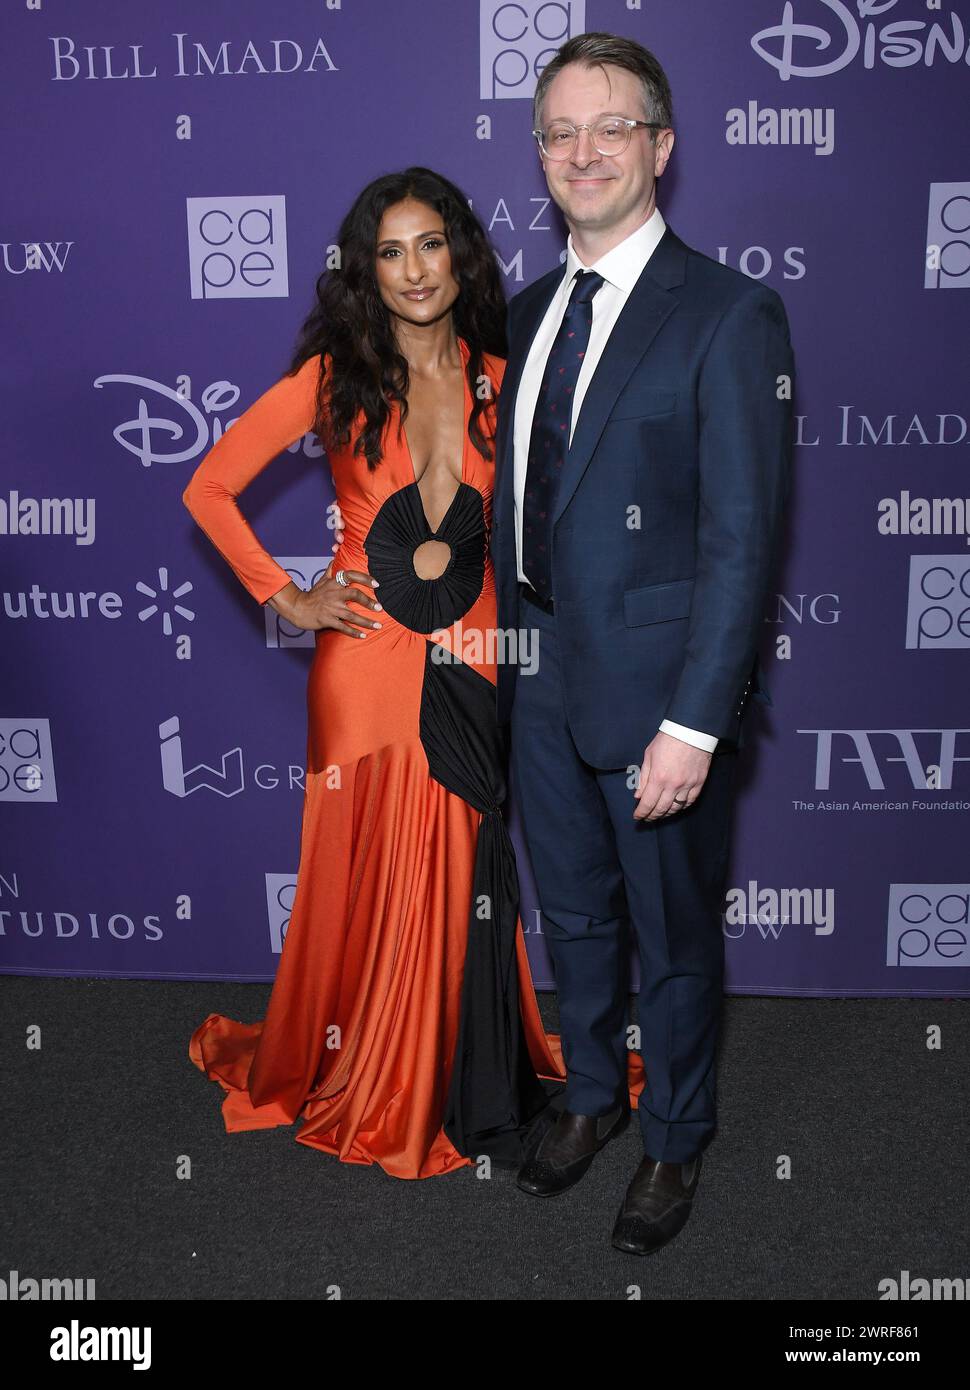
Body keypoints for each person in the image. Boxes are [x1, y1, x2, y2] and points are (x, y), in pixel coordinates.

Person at [183, 168, 609, 1180]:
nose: (414, 270)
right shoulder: (334, 380)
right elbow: (209, 487)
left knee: (461, 868)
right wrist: (288, 597)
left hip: (476, 655)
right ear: (365, 271)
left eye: (430, 245)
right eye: (390, 251)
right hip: (364, 664)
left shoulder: (507, 378)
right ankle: (362, 1063)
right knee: (362, 865)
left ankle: (452, 1071)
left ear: (461, 256)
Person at [491, 34, 795, 1250]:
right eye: (559, 132)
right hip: (536, 676)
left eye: (610, 127)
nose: (583, 152)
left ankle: (672, 1137)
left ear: (660, 146)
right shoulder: (522, 314)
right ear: (539, 155)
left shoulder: (728, 314)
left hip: (659, 698)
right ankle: (588, 1097)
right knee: (570, 915)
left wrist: (694, 723)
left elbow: (740, 541)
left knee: (670, 937)